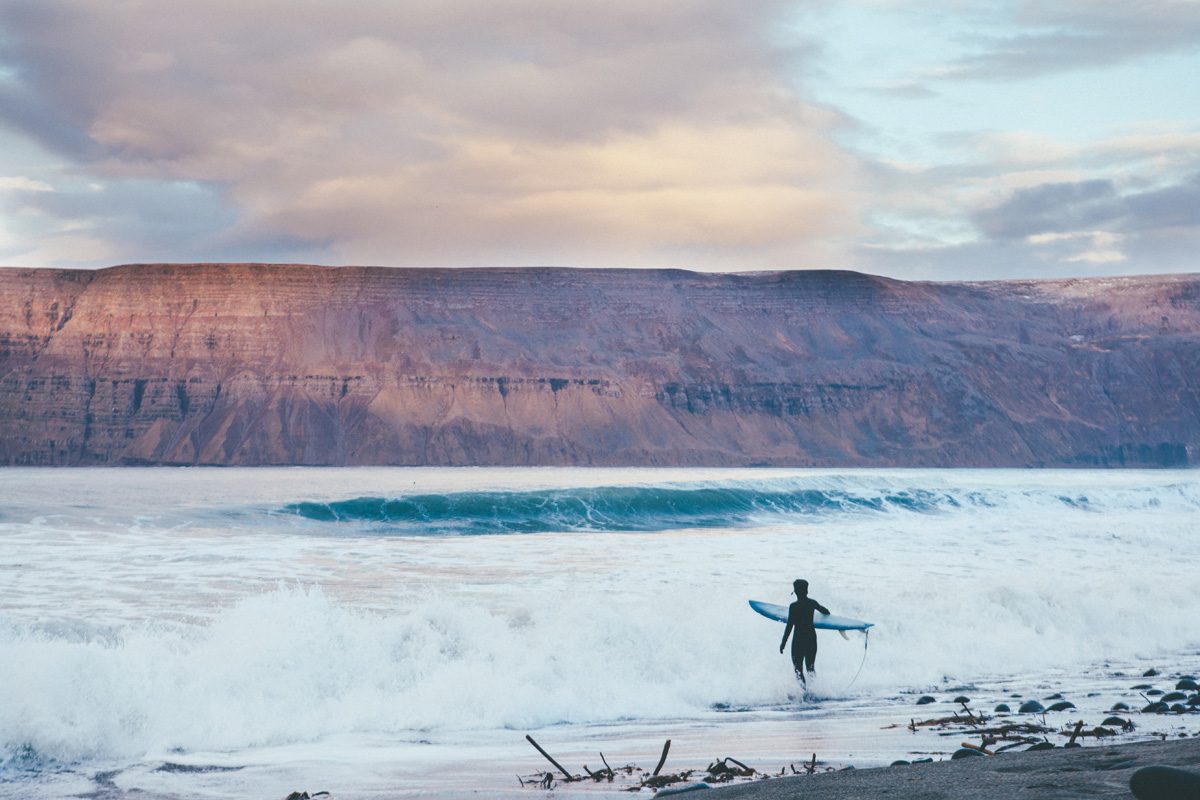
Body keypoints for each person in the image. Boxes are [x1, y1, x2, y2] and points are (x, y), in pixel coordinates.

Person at [779, 579, 830, 684]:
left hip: (798, 639)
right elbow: (826, 611)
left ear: (795, 591)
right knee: (810, 668)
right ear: (807, 591)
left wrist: (783, 643)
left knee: (798, 670)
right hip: (811, 638)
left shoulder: (793, 606)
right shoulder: (812, 603)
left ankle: (804, 692)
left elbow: (789, 626)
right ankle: (815, 690)